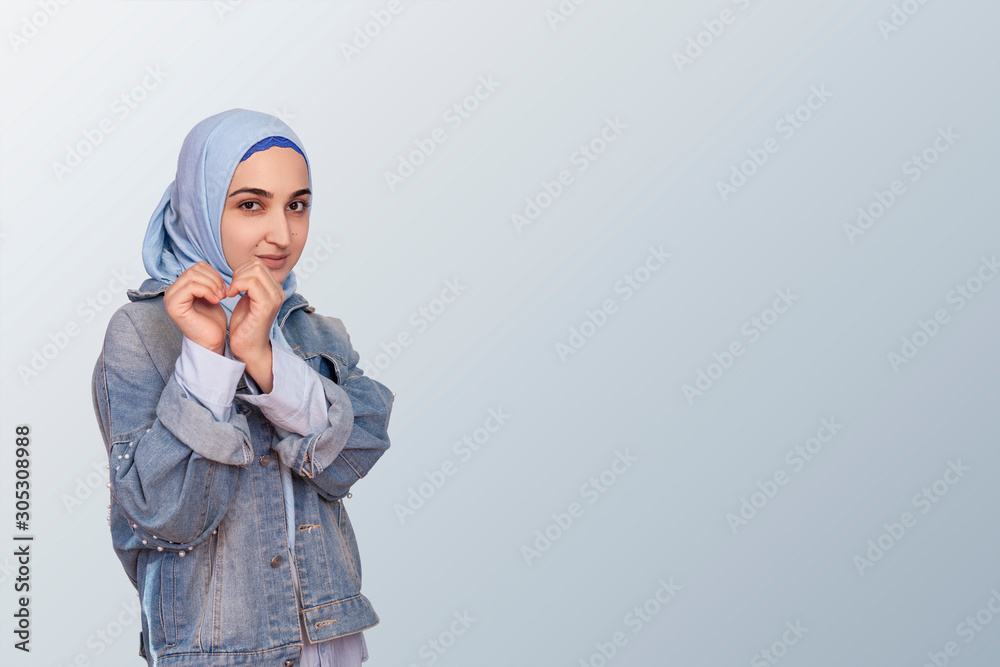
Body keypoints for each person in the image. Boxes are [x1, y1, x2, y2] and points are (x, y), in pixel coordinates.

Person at [91, 109, 394, 666]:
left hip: (330, 643)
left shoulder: (314, 331)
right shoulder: (142, 332)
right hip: (218, 653)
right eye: (251, 205)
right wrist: (207, 357)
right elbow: (162, 517)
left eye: (297, 205)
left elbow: (354, 456)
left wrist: (265, 359)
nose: (282, 235)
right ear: (199, 205)